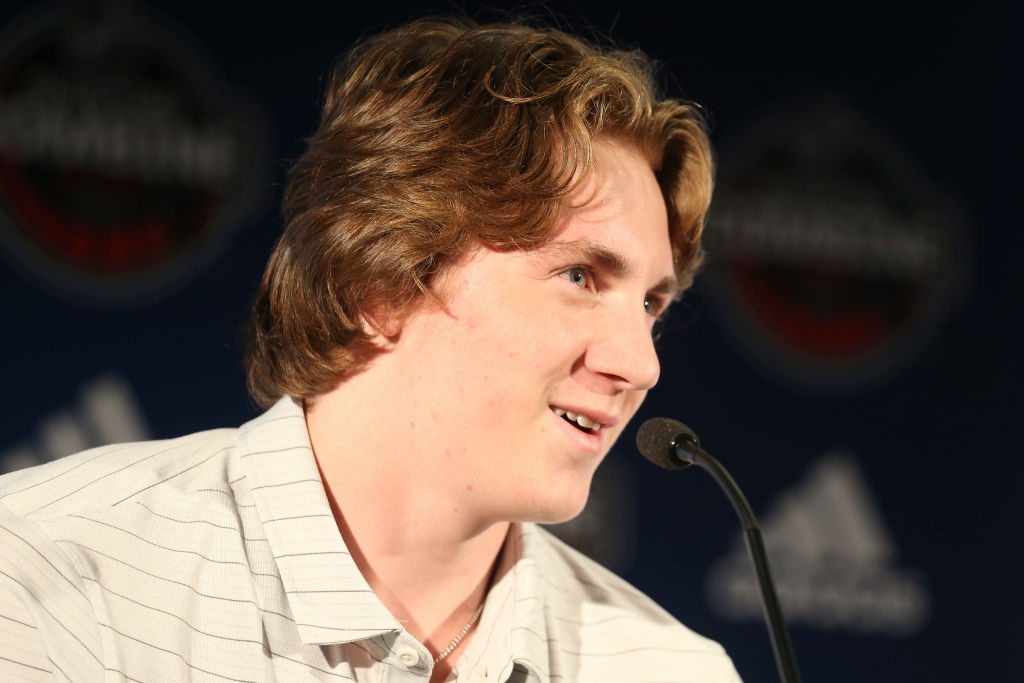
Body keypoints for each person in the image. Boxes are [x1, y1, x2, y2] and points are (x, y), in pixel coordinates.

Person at [0, 16, 741, 682]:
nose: (641, 364)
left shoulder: (668, 666)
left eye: (651, 304)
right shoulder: (46, 579)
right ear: (378, 286)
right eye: (579, 275)